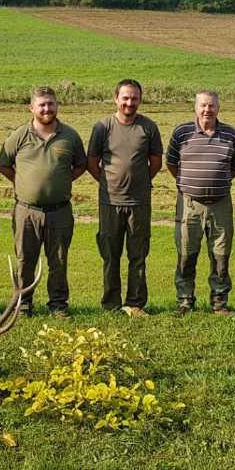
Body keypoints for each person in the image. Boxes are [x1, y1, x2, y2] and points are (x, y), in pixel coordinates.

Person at [0, 86, 87, 318]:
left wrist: (61, 180)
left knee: (58, 260)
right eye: (42, 105)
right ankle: (23, 304)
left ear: (57, 105)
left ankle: (58, 305)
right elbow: (4, 164)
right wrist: (23, 182)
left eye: (51, 104)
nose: (47, 109)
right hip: (26, 211)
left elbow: (80, 165)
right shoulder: (20, 135)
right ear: (32, 108)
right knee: (25, 260)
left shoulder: (70, 136)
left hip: (60, 211)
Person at [86, 79, 163, 316]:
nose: (130, 103)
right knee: (110, 255)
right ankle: (111, 304)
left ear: (140, 99)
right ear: (116, 98)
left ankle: (135, 303)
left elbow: (156, 162)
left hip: (139, 203)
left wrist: (138, 183)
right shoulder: (103, 127)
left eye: (134, 98)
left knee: (138, 255)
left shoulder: (148, 127)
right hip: (110, 202)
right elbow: (92, 162)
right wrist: (110, 184)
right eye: (125, 98)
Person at [166, 90, 235, 315]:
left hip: (221, 205)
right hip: (189, 203)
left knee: (220, 254)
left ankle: (219, 303)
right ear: (195, 108)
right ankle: (184, 301)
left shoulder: (230, 133)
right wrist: (189, 184)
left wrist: (217, 181)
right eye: (203, 105)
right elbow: (172, 163)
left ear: (218, 108)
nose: (207, 110)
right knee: (186, 252)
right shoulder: (182, 132)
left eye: (211, 106)